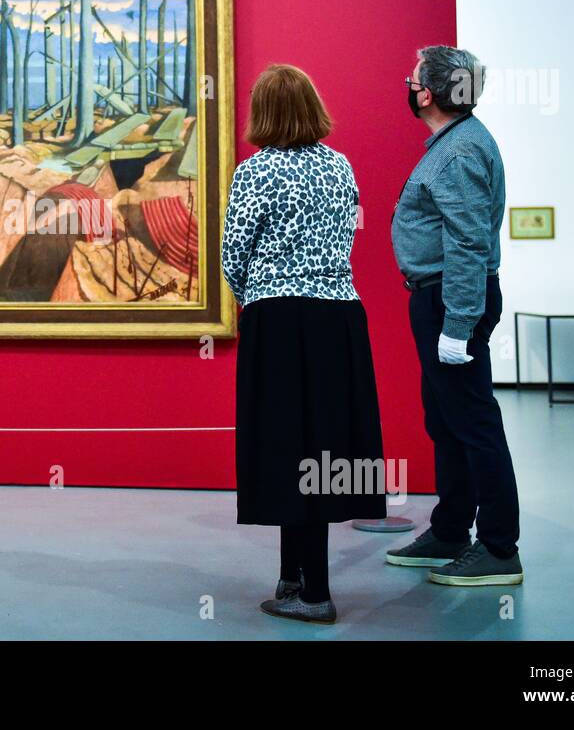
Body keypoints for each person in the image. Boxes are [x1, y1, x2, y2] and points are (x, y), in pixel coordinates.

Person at [222, 64, 387, 625]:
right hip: (338, 318)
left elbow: (232, 254)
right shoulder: (340, 167)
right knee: (321, 448)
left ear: (262, 112)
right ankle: (293, 577)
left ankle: (313, 591)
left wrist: (258, 297)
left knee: (284, 444)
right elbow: (345, 240)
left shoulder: (256, 171)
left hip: (280, 320)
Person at [386, 45, 524, 587]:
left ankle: (498, 548)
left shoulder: (459, 153)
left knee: (474, 424)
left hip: (452, 297)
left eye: (414, 76)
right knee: (447, 421)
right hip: (441, 295)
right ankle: (449, 531)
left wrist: (458, 325)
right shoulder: (455, 143)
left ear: (428, 93)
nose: (407, 80)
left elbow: (467, 242)